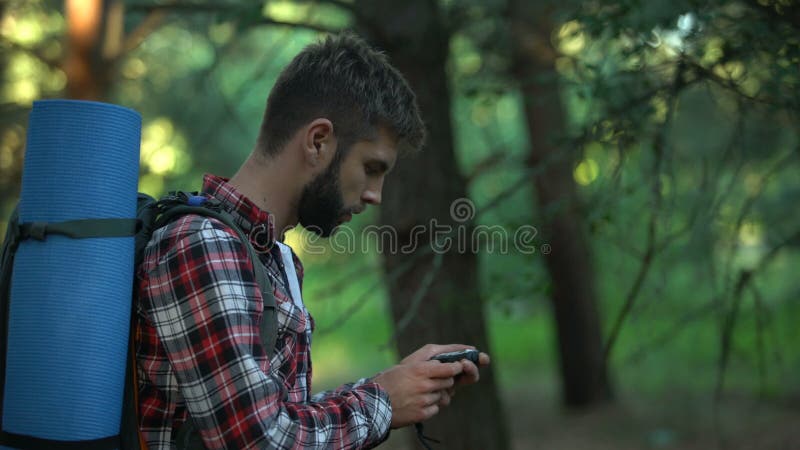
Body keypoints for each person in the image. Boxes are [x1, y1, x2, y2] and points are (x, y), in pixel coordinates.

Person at [135, 33, 489, 449]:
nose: (375, 195)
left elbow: (279, 416)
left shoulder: (268, 255)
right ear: (318, 141)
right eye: (371, 168)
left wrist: (393, 385)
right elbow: (261, 441)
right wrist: (385, 402)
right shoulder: (203, 246)